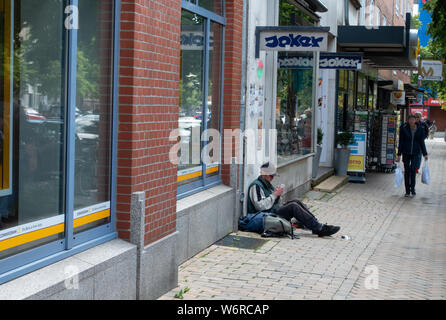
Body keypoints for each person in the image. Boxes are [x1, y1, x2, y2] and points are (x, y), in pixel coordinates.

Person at [247, 162, 340, 237]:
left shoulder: (267, 184)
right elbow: (260, 206)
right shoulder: (256, 186)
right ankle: (318, 228)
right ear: (264, 174)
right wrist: (275, 195)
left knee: (296, 201)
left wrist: (278, 196)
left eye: (273, 176)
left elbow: (274, 201)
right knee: (293, 206)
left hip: (272, 211)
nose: (272, 178)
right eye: (271, 176)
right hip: (264, 216)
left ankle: (316, 224)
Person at [396, 114, 428, 197]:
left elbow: (422, 142)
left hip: (415, 152)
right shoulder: (403, 129)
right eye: (410, 119)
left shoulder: (420, 129)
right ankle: (407, 190)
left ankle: (412, 189)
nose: (411, 121)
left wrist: (425, 154)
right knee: (407, 171)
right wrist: (399, 154)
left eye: (413, 119)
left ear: (415, 120)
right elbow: (401, 142)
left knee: (413, 170)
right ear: (408, 120)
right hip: (406, 152)